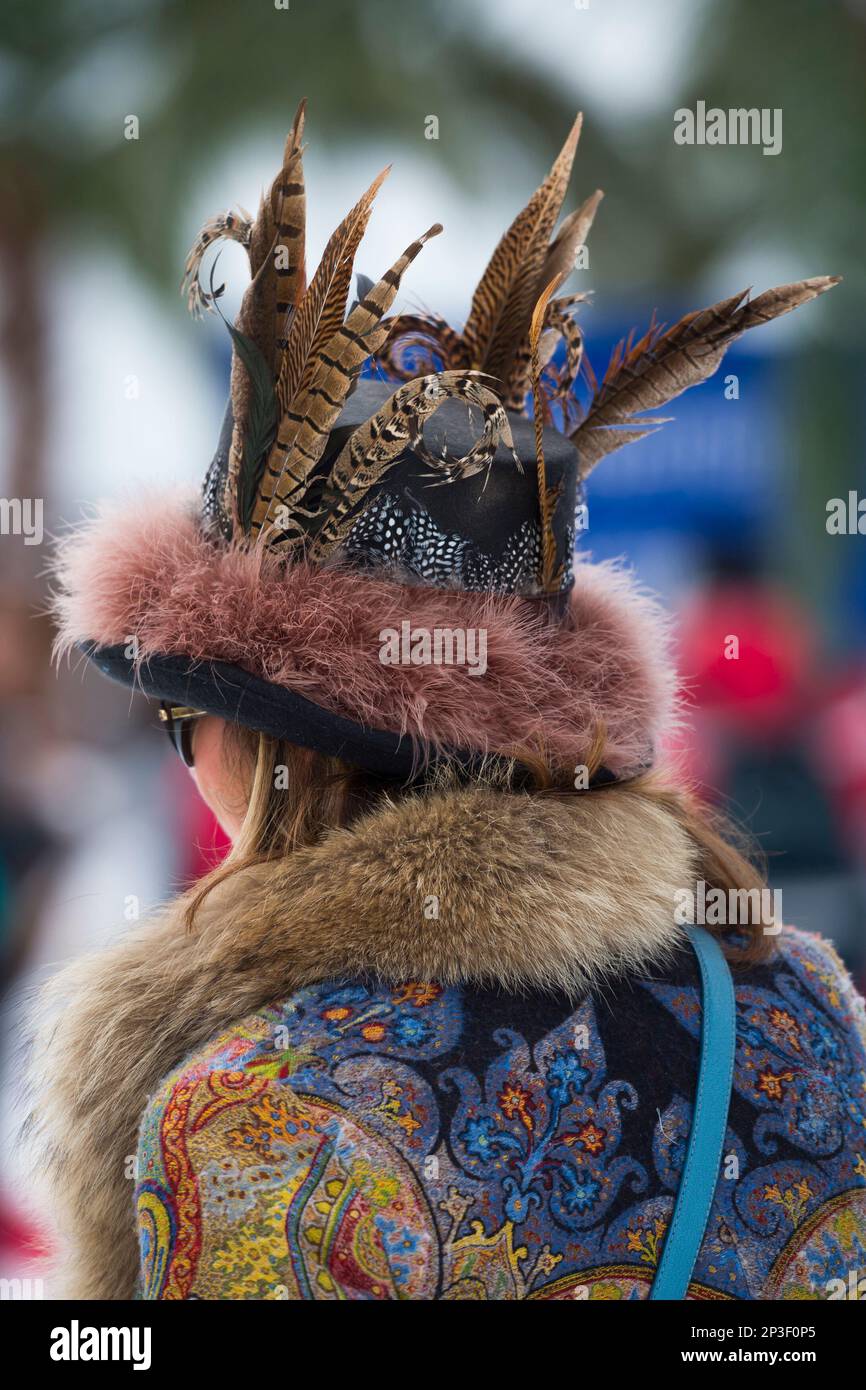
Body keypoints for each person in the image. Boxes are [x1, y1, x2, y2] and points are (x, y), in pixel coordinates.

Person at [31, 104, 864, 1302]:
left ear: (282, 749)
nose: (182, 759)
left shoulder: (252, 1114)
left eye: (184, 717)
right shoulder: (810, 1012)